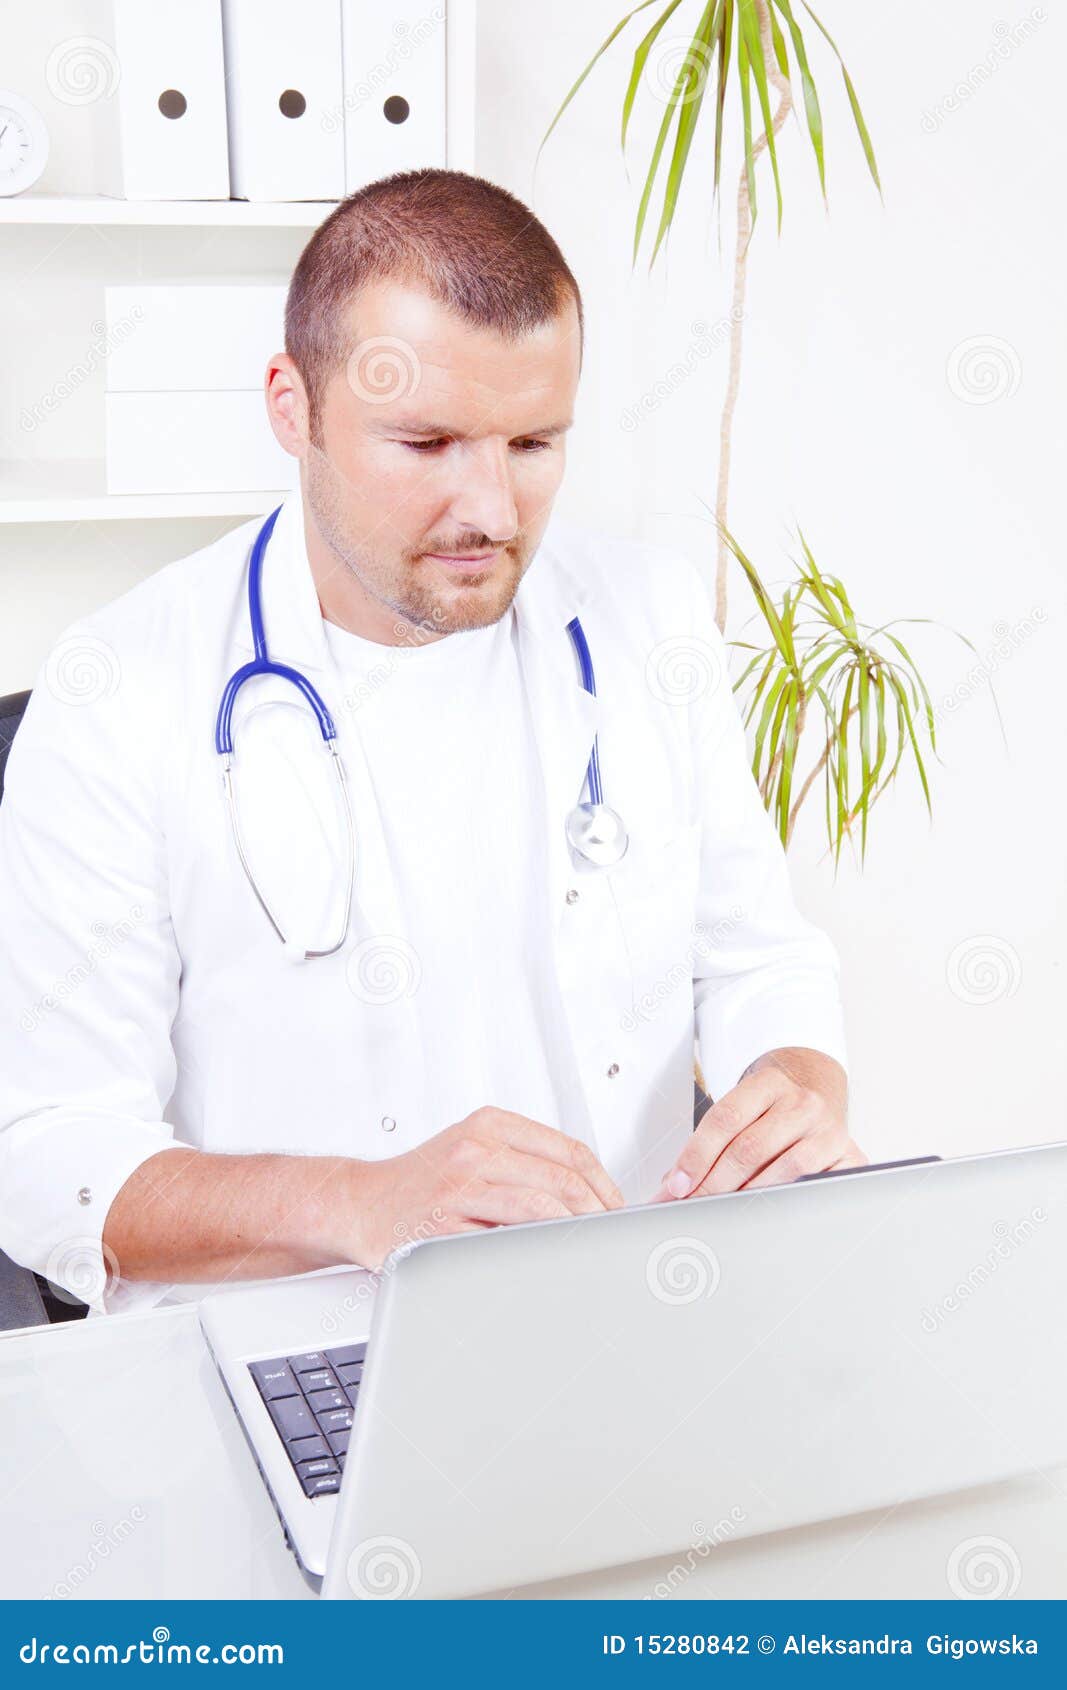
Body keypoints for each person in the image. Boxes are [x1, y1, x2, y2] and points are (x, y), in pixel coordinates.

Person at [0, 168, 862, 1314]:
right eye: (427, 442)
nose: (491, 513)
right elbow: (50, 1157)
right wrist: (361, 1203)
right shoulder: (118, 690)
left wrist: (796, 1075)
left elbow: (759, 957)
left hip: (621, 1312)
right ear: (291, 408)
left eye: (531, 443)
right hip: (291, 1341)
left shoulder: (648, 621)